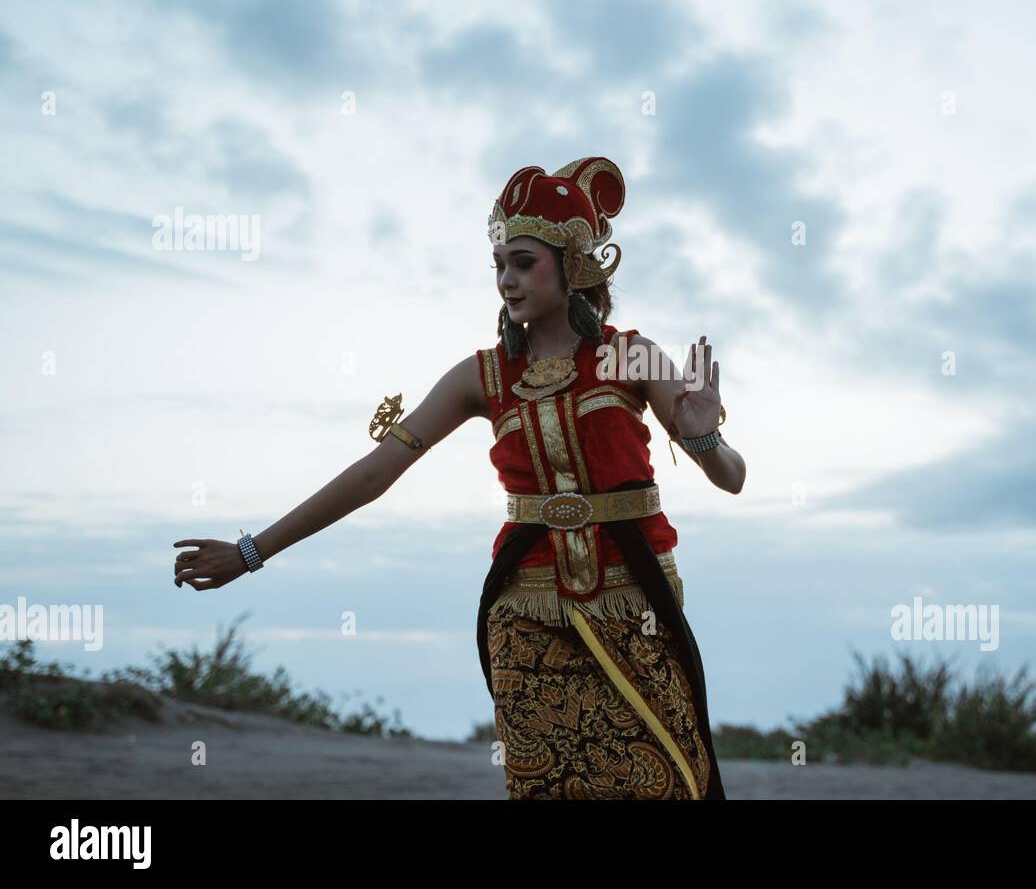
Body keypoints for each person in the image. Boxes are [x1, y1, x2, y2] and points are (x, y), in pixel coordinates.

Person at [172, 156, 745, 800]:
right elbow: (376, 471)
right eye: (499, 265)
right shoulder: (481, 376)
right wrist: (252, 551)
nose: (507, 279)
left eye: (523, 262)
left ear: (573, 264)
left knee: (669, 779)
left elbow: (732, 478)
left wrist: (702, 438)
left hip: (633, 601)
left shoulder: (632, 354)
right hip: (524, 615)